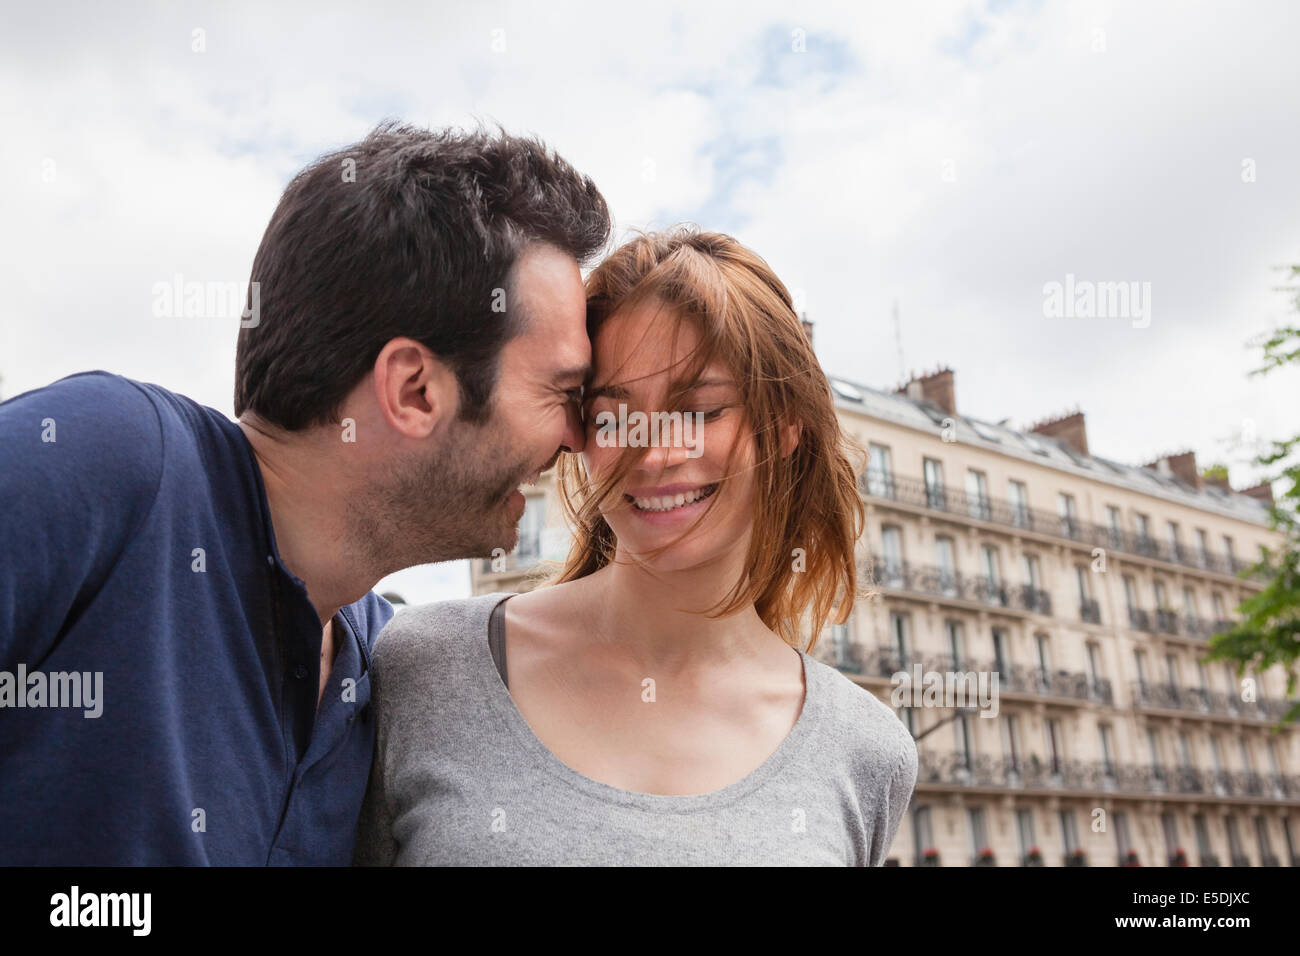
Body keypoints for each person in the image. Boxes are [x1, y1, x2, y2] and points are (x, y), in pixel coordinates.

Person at [0, 121, 611, 864]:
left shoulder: (387, 665)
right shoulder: (104, 462)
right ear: (414, 389)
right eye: (561, 391)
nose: (578, 437)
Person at [356, 226, 919, 866]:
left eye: (701, 411)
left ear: (785, 426)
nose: (653, 454)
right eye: (613, 414)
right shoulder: (423, 666)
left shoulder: (865, 752)